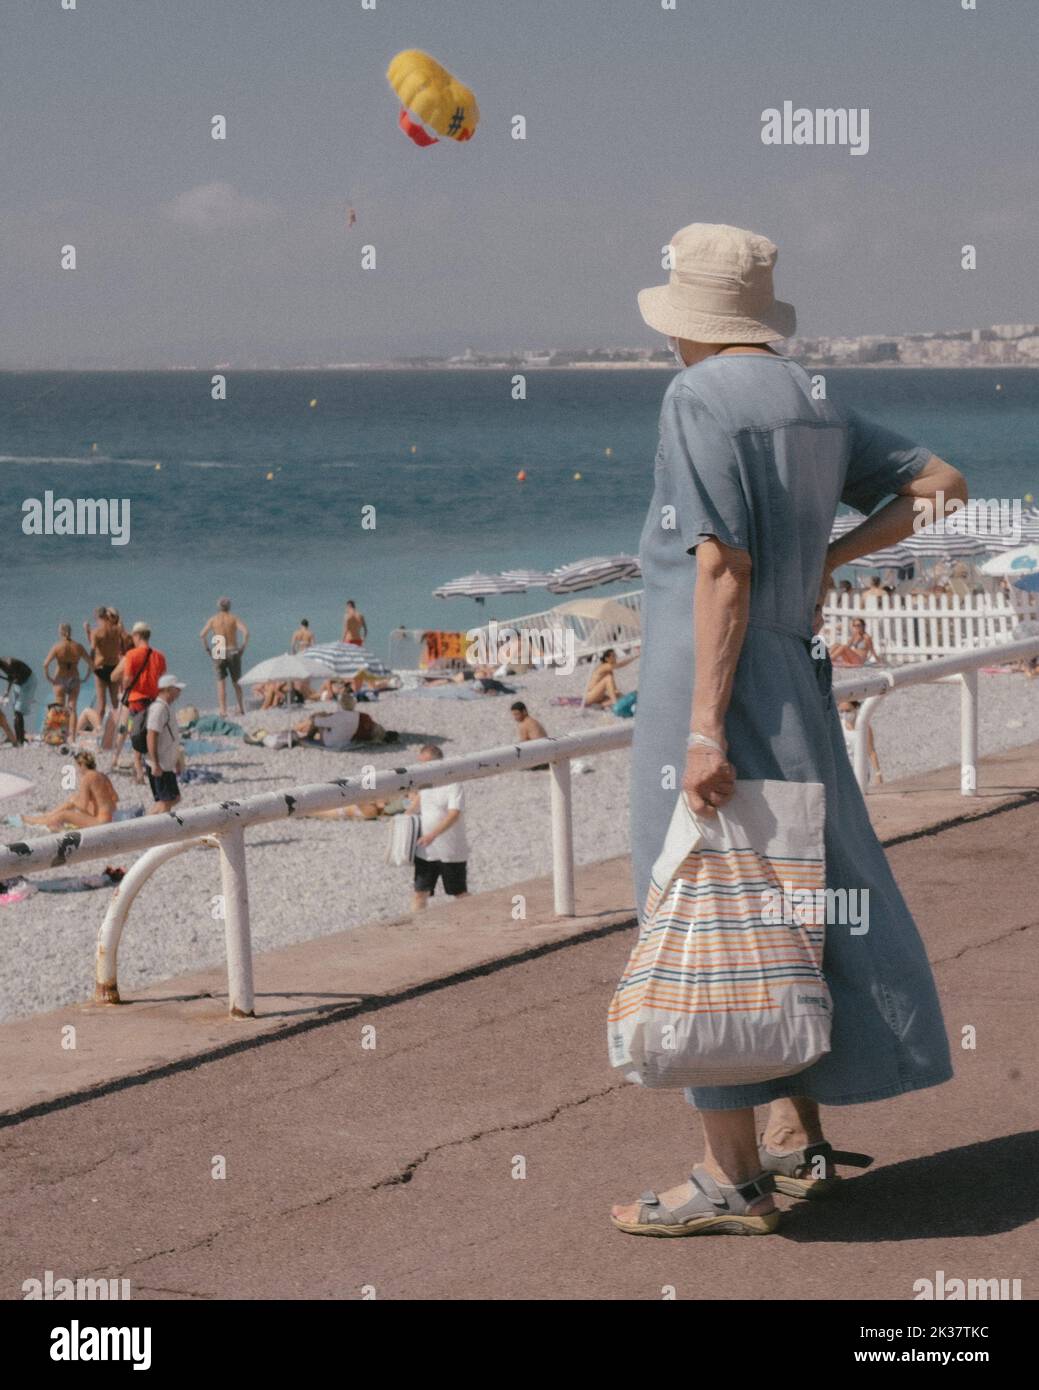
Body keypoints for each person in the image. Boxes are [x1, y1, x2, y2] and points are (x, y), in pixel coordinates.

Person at [614, 221, 964, 1238]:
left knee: (694, 897)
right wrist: (831, 556)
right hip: (793, 670)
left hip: (709, 678)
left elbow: (717, 565)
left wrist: (700, 731)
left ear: (689, 318)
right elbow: (941, 486)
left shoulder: (694, 396)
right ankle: (795, 1140)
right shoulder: (808, 393)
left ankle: (730, 1179)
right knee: (791, 890)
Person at [408, 744, 469, 911]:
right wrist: (402, 821)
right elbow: (416, 804)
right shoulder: (425, 783)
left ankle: (476, 921)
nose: (421, 768)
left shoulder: (453, 784)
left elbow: (454, 814)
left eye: (425, 764)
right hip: (426, 850)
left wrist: (432, 835)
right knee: (420, 892)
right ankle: (417, 929)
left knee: (459, 893)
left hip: (451, 850)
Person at [110, 623, 166, 783]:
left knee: (135, 734)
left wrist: (128, 684)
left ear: (137, 636)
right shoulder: (159, 656)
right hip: (154, 699)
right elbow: (162, 678)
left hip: (136, 699)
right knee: (151, 733)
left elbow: (124, 679)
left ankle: (139, 772)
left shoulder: (131, 655)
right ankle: (153, 765)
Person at [23, 750, 119, 830]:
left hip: (101, 823)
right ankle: (49, 815)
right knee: (74, 799)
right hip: (110, 817)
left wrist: (73, 801)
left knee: (64, 814)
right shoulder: (102, 775)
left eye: (77, 767)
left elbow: (82, 806)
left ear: (82, 765)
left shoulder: (87, 778)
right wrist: (95, 801)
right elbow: (115, 798)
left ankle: (33, 820)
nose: (77, 770)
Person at [294, 690, 397, 747]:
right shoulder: (359, 716)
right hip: (345, 740)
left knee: (317, 719)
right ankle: (300, 729)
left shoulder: (343, 717)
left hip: (331, 741)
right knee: (322, 718)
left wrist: (317, 717)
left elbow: (317, 722)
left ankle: (305, 735)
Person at [200, 597, 249, 717]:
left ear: (218, 607)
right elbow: (246, 632)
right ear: (229, 607)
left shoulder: (213, 620)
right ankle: (241, 708)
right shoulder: (233, 618)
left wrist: (207, 649)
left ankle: (223, 711)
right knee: (236, 682)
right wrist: (242, 648)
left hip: (218, 648)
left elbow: (202, 635)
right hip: (233, 649)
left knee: (220, 682)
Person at [145, 674, 186, 813]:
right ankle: (147, 830)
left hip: (166, 763)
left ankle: (146, 826)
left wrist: (176, 760)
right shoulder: (159, 709)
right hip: (160, 764)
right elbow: (151, 735)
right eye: (177, 689)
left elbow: (170, 737)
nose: (179, 692)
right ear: (168, 690)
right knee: (165, 802)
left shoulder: (166, 707)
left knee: (173, 798)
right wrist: (155, 764)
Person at [42, 623, 91, 728]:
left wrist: (48, 677)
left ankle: (60, 736)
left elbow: (45, 664)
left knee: (59, 708)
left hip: (60, 678)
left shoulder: (57, 646)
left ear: (61, 632)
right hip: (74, 678)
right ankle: (72, 737)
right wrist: (86, 677)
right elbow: (91, 663)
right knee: (72, 708)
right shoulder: (78, 646)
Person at [83, 607, 123, 717]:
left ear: (97, 617)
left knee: (101, 704)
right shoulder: (117, 630)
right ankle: (118, 728)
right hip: (114, 666)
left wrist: (89, 669)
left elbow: (92, 649)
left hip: (101, 668)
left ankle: (99, 729)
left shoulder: (96, 632)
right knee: (115, 703)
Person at [838, 700, 882, 784]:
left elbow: (871, 752)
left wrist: (878, 774)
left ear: (856, 708)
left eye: (848, 711)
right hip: (845, 772)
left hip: (862, 772)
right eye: (841, 711)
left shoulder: (864, 728)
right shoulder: (839, 726)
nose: (845, 714)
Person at [0, 656, 36, 745]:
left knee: (18, 711)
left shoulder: (10, 663)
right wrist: (7, 692)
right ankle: (17, 737)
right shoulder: (3, 666)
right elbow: (11, 677)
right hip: (18, 684)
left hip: (28, 683)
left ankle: (21, 741)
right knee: (15, 711)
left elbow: (13, 677)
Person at [509, 700, 550, 770]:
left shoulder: (524, 724)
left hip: (539, 760)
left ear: (524, 711)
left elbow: (523, 744)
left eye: (517, 714)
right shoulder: (533, 721)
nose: (515, 717)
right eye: (514, 715)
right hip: (547, 755)